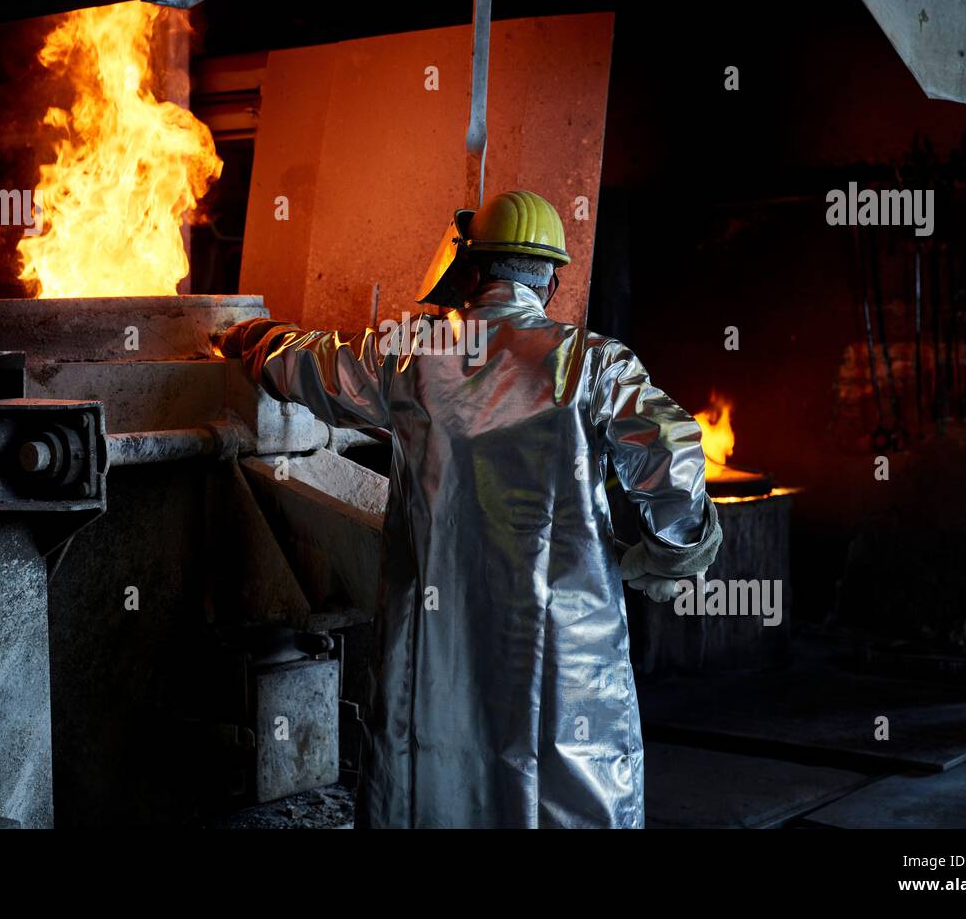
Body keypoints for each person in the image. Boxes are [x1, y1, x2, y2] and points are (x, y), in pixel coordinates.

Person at [218, 190, 721, 828]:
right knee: (562, 777)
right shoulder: (593, 364)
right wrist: (666, 554)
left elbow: (316, 366)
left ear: (473, 268)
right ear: (552, 278)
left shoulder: (412, 356)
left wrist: (256, 337)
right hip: (567, 642)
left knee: (434, 767)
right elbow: (674, 460)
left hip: (438, 630)